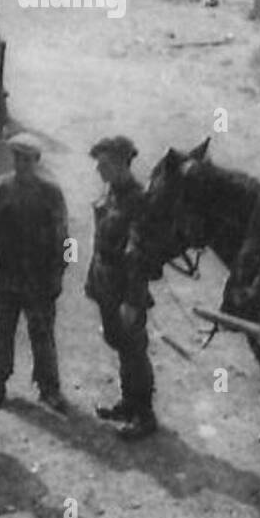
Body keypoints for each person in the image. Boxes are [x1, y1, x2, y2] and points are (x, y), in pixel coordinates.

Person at [0, 133, 70, 415]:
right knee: (0, 331)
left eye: (27, 158)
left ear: (37, 160)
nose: (22, 163)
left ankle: (49, 389)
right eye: (17, 157)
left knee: (43, 334)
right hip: (8, 277)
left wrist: (60, 273)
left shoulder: (51, 193)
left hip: (40, 278)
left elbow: (66, 239)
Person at [84, 136, 157, 440]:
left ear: (120, 165)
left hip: (126, 289)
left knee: (134, 350)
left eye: (103, 165)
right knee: (119, 342)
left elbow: (139, 257)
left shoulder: (139, 201)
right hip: (106, 284)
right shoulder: (111, 192)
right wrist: (92, 281)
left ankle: (144, 415)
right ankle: (128, 403)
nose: (99, 170)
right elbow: (99, 241)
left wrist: (133, 301)